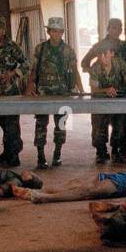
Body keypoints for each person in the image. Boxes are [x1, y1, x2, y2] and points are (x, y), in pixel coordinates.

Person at [27, 15, 82, 170]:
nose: (56, 34)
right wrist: (30, 86)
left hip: (63, 93)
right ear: (49, 31)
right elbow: (33, 70)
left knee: (61, 125)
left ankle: (57, 154)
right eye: (53, 31)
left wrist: (81, 90)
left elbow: (74, 70)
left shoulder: (68, 50)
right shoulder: (41, 48)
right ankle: (41, 156)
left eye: (59, 31)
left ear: (62, 32)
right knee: (40, 125)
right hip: (43, 93)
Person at [12, 164, 126, 204]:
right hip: (124, 177)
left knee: (85, 191)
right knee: (76, 184)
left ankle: (40, 197)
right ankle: (33, 190)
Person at [0, 22, 30, 166]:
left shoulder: (12, 46)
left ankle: (14, 155)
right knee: (3, 123)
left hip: (10, 91)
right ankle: (6, 152)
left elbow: (26, 64)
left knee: (12, 125)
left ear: (3, 30)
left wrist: (13, 73)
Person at [88, 46, 126, 164]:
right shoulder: (95, 67)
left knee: (120, 124)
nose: (103, 58)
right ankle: (101, 151)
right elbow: (94, 89)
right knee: (98, 126)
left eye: (106, 54)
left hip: (118, 100)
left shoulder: (120, 64)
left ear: (112, 53)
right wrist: (105, 90)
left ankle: (116, 150)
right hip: (100, 101)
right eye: (100, 55)